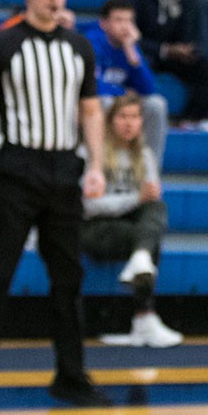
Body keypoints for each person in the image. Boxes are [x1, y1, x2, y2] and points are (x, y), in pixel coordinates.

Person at [0, 0, 105, 409]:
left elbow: (92, 110)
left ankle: (70, 375)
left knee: (69, 278)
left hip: (63, 170)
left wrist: (95, 164)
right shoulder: (2, 44)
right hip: (15, 170)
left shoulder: (79, 46)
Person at [83, 95, 183, 348]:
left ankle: (140, 262)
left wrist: (142, 199)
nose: (129, 123)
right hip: (93, 228)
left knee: (155, 210)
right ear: (110, 121)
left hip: (127, 227)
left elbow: (149, 201)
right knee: (148, 240)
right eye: (122, 117)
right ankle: (144, 319)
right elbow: (89, 206)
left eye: (135, 117)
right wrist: (134, 198)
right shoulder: (92, 154)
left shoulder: (145, 155)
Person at [77, 0, 172, 171]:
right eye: (119, 20)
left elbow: (149, 89)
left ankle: (148, 171)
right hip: (94, 103)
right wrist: (121, 93)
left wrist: (132, 53)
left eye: (129, 21)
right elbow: (90, 84)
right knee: (105, 102)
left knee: (156, 105)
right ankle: (99, 168)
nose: (125, 26)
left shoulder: (129, 45)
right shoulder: (92, 41)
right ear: (104, 23)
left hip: (122, 101)